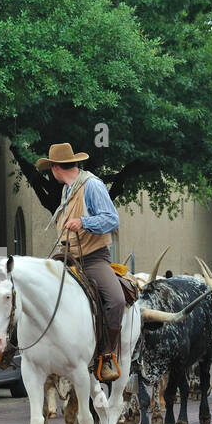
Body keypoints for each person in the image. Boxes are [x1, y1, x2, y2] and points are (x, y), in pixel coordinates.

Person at [36, 142, 124, 382]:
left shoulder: (92, 185)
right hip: (68, 257)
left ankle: (106, 354)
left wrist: (84, 223)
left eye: (50, 169)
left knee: (116, 300)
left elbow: (111, 220)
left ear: (55, 168)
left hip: (93, 258)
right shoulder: (67, 190)